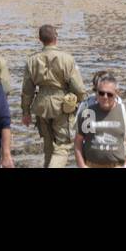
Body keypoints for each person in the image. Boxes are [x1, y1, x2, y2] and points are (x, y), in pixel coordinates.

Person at [21, 25, 87, 168]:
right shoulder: (67, 59)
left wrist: (25, 112)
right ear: (56, 38)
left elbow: (27, 90)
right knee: (63, 146)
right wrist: (83, 104)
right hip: (62, 105)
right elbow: (79, 88)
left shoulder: (31, 60)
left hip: (41, 104)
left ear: (40, 39)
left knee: (48, 147)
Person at [74, 72, 126, 168]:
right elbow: (78, 142)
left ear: (117, 93)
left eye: (109, 94)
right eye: (101, 93)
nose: (105, 97)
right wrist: (82, 165)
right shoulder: (87, 113)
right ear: (96, 93)